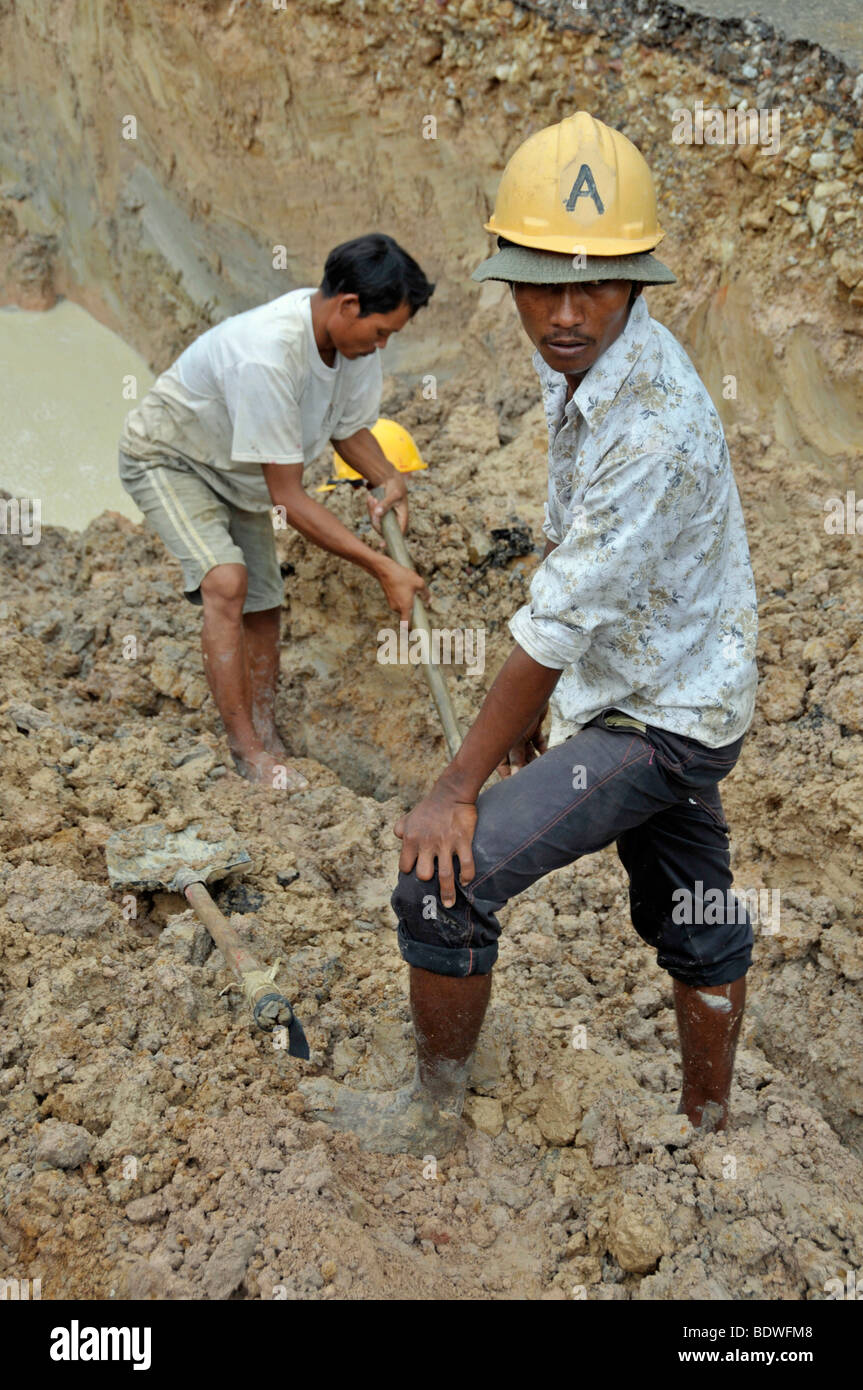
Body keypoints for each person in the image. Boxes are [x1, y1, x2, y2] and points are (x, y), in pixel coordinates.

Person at [300, 112, 759, 1156]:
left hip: (659, 714)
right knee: (693, 909)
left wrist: (454, 785)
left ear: (636, 281)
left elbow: (556, 617)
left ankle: (433, 1118)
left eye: (589, 286)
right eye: (539, 284)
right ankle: (708, 1124)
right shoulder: (591, 364)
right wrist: (545, 708)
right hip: (670, 678)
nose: (561, 313)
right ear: (505, 280)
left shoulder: (648, 425)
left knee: (438, 882)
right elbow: (576, 573)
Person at [118, 234, 434, 784]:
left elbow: (348, 429)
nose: (382, 346)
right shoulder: (268, 354)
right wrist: (384, 567)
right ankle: (248, 752)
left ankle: (265, 728)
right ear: (348, 305)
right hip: (171, 458)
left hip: (242, 470)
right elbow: (289, 496)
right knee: (226, 581)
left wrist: (388, 477)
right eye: (381, 331)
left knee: (263, 603)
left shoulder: (352, 346)